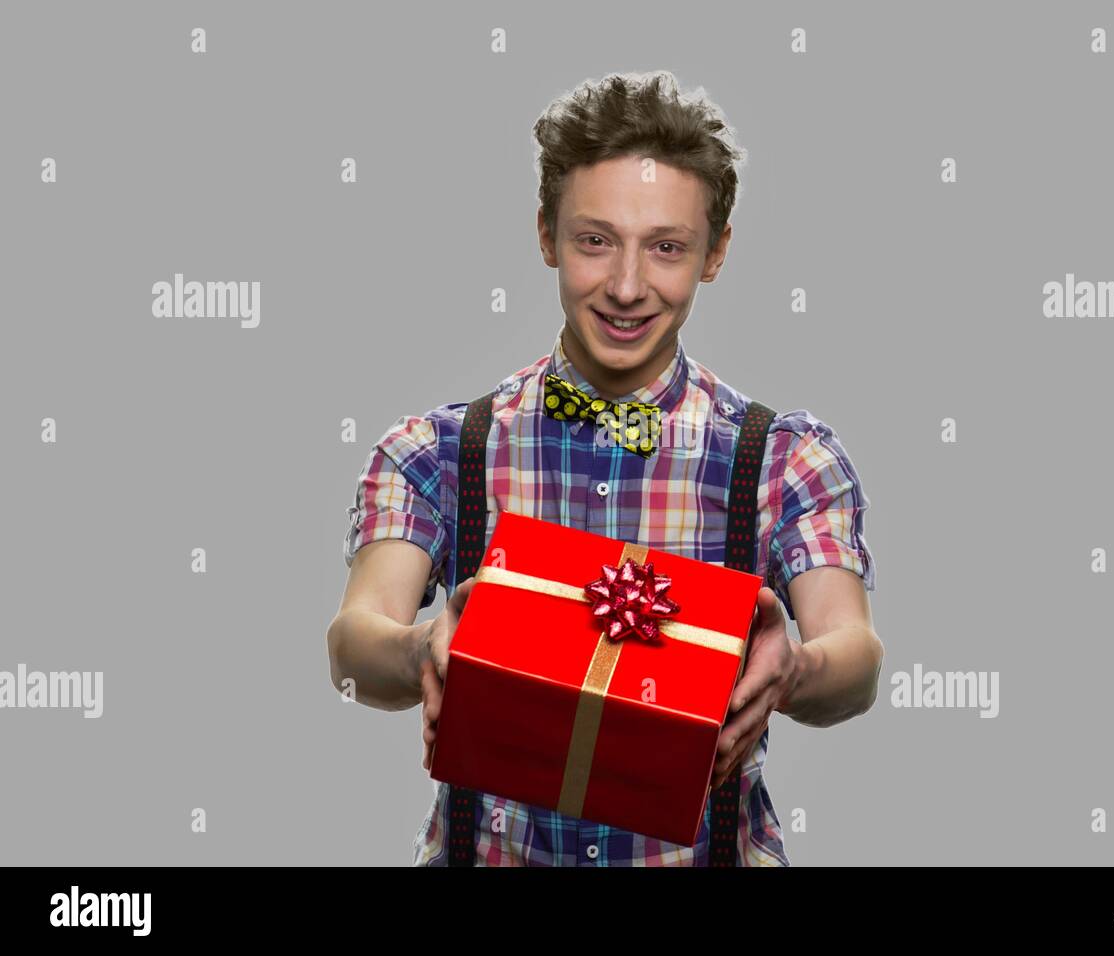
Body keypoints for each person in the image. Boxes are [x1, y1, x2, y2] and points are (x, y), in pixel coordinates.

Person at [328, 70, 884, 866]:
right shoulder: (439, 450)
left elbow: (855, 660)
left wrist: (794, 668)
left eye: (666, 248)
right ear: (547, 237)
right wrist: (421, 650)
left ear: (715, 253)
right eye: (595, 241)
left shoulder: (787, 459)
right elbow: (354, 640)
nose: (627, 287)